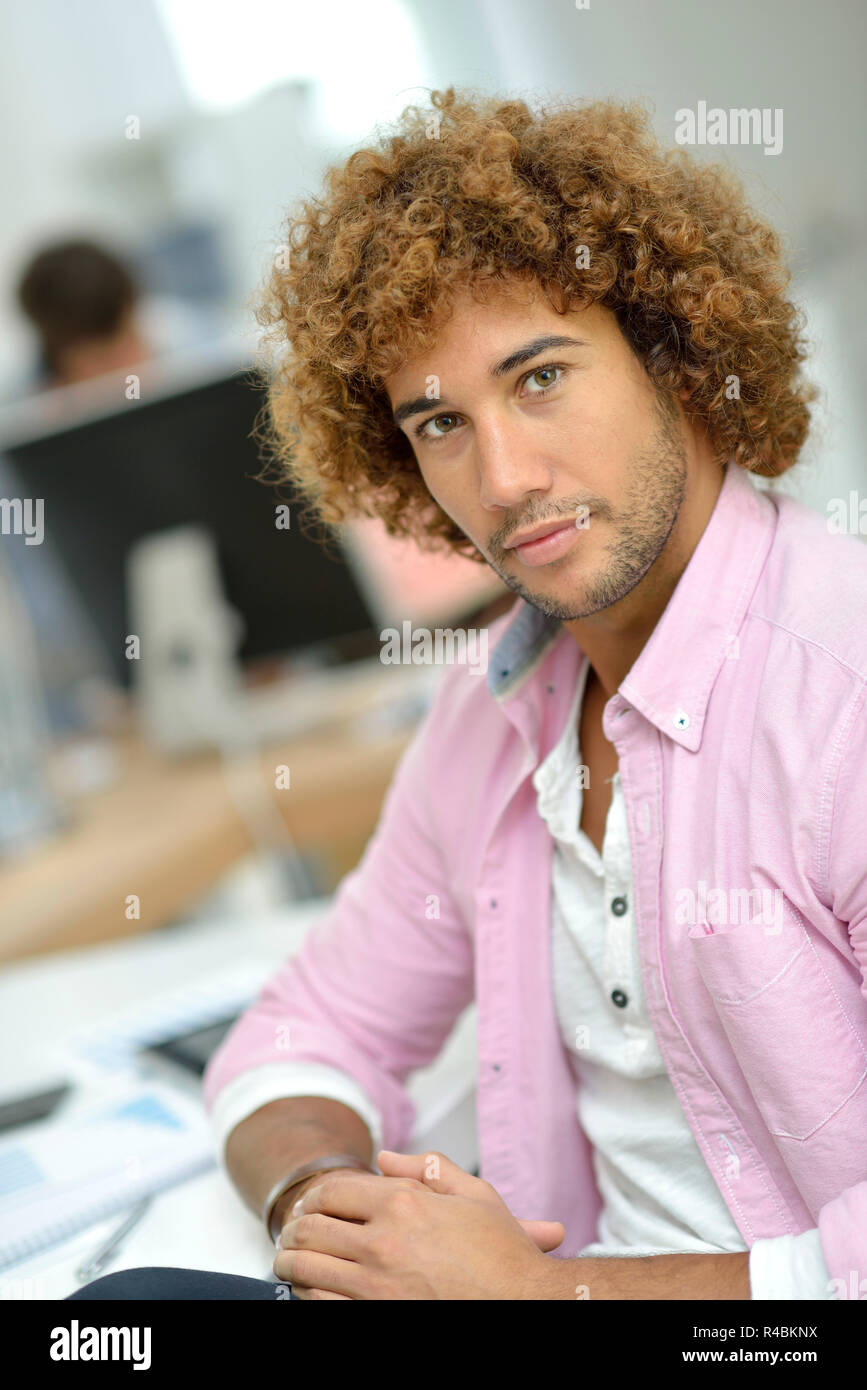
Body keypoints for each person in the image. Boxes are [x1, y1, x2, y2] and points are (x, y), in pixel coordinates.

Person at [69, 87, 867, 1302]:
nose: (502, 479)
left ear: (679, 357)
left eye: (539, 377)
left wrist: (548, 1296)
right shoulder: (493, 710)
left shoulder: (841, 691)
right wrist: (330, 1220)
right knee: (118, 1317)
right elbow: (307, 1030)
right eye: (440, 421)